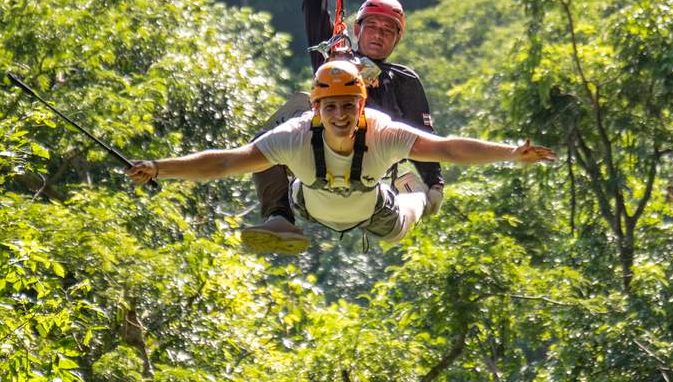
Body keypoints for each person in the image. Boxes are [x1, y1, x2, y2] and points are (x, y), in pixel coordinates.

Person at [128, 60, 554, 253]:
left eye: (348, 106)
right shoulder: (295, 135)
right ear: (316, 109)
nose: (340, 116)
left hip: (376, 213)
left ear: (361, 104)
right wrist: (159, 168)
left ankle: (415, 192)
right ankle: (278, 219)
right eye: (329, 107)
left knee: (414, 209)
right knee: (267, 145)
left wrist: (511, 153)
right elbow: (225, 162)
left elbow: (445, 147)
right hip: (308, 206)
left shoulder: (382, 131)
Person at [246, 0, 444, 248]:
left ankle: (408, 189)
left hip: (370, 185)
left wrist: (434, 183)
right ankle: (278, 215)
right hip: (318, 176)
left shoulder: (402, 81)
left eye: (388, 31)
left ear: (397, 39)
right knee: (289, 115)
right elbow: (314, 4)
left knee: (411, 194)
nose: (379, 35)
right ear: (357, 29)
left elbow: (423, 133)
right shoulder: (336, 63)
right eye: (373, 27)